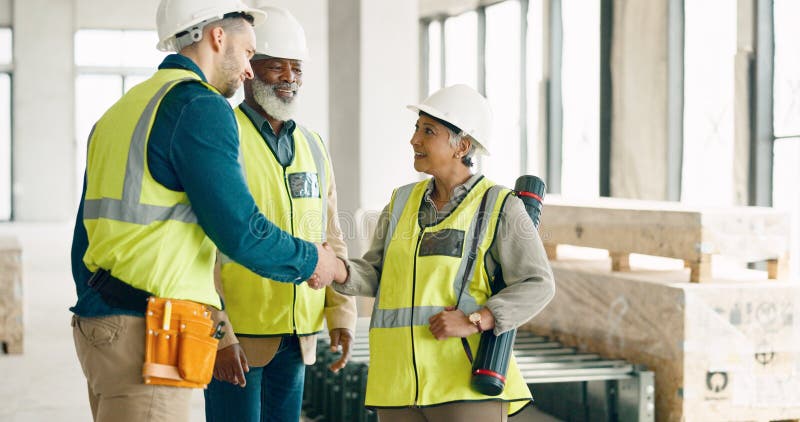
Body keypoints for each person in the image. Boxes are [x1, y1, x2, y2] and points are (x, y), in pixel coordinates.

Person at [69, 1, 340, 421]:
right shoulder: (200, 106)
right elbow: (240, 233)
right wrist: (314, 260)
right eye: (250, 53)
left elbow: (81, 236)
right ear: (217, 36)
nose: (249, 69)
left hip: (102, 326)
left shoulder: (123, 110)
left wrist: (97, 304)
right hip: (149, 332)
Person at [331, 84, 556, 422]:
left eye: (428, 131)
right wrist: (338, 270)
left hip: (462, 383)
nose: (414, 140)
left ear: (462, 145)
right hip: (397, 385)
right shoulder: (401, 201)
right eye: (416, 128)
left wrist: (476, 320)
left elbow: (538, 283)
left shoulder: (499, 205)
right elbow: (377, 273)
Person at [203, 6, 357, 422]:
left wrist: (340, 312)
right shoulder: (221, 136)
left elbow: (331, 235)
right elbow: (198, 248)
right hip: (238, 335)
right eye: (277, 67)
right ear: (249, 70)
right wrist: (218, 334)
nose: (290, 77)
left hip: (298, 334)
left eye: (297, 68)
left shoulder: (313, 144)